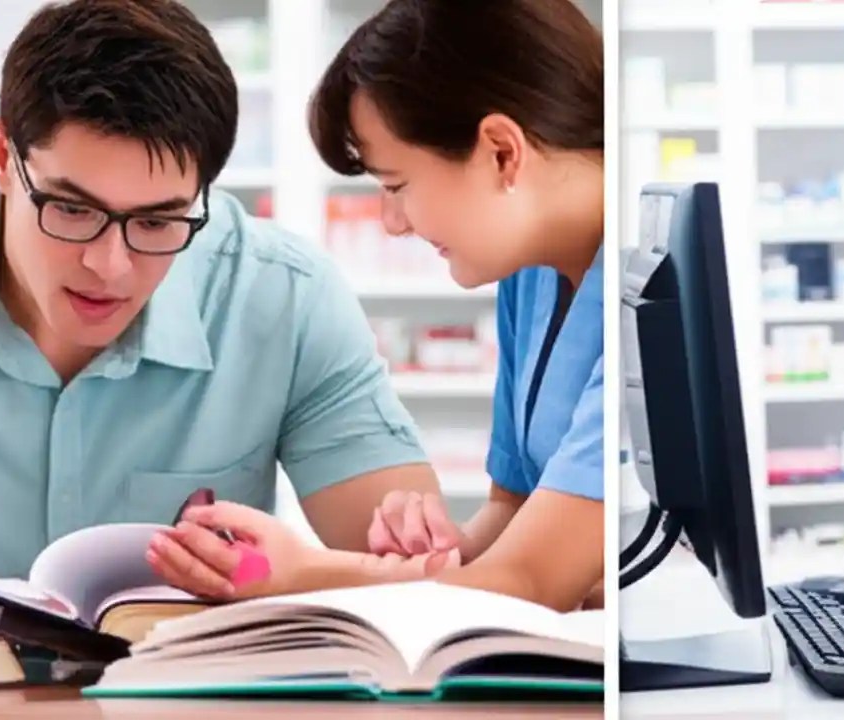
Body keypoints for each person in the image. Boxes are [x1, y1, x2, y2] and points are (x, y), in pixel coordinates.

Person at [0, 0, 448, 585]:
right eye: (71, 210)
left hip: (192, 674)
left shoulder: (283, 298)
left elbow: (416, 574)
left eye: (156, 222)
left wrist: (315, 570)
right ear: (0, 156)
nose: (110, 265)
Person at [167, 0, 606, 612]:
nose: (392, 223)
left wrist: (303, 574)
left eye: (396, 186)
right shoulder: (532, 275)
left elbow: (533, 583)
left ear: (501, 152)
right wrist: (430, 557)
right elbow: (509, 518)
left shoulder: (640, 284)